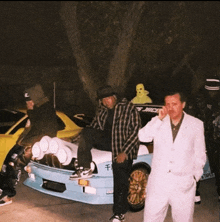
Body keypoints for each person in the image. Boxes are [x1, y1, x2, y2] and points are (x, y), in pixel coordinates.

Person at [70, 85, 141, 222]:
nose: (104, 102)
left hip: (122, 146)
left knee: (120, 178)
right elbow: (94, 128)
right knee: (87, 131)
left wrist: (124, 152)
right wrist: (73, 140)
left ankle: (119, 213)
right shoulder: (102, 110)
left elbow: (136, 132)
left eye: (106, 99)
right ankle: (84, 168)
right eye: (102, 100)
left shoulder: (129, 108)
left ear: (113, 97)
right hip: (108, 142)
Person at [138, 91, 206, 222]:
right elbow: (143, 137)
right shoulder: (158, 121)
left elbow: (200, 154)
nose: (170, 107)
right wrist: (158, 119)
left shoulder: (196, 124)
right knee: (151, 218)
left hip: (183, 184)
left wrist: (194, 177)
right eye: (167, 104)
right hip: (158, 183)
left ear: (183, 104)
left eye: (174, 104)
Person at [0, 84, 58, 206]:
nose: (28, 103)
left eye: (30, 100)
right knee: (7, 163)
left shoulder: (45, 109)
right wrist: (20, 141)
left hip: (36, 144)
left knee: (14, 163)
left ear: (36, 98)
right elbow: (29, 129)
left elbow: (44, 130)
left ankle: (6, 196)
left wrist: (31, 111)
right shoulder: (37, 110)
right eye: (27, 101)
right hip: (26, 142)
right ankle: (2, 189)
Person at [190, 76, 220, 202]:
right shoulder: (198, 98)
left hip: (215, 138)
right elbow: (193, 118)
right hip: (200, 136)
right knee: (196, 164)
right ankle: (194, 192)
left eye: (215, 91)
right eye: (210, 91)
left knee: (218, 165)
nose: (212, 93)